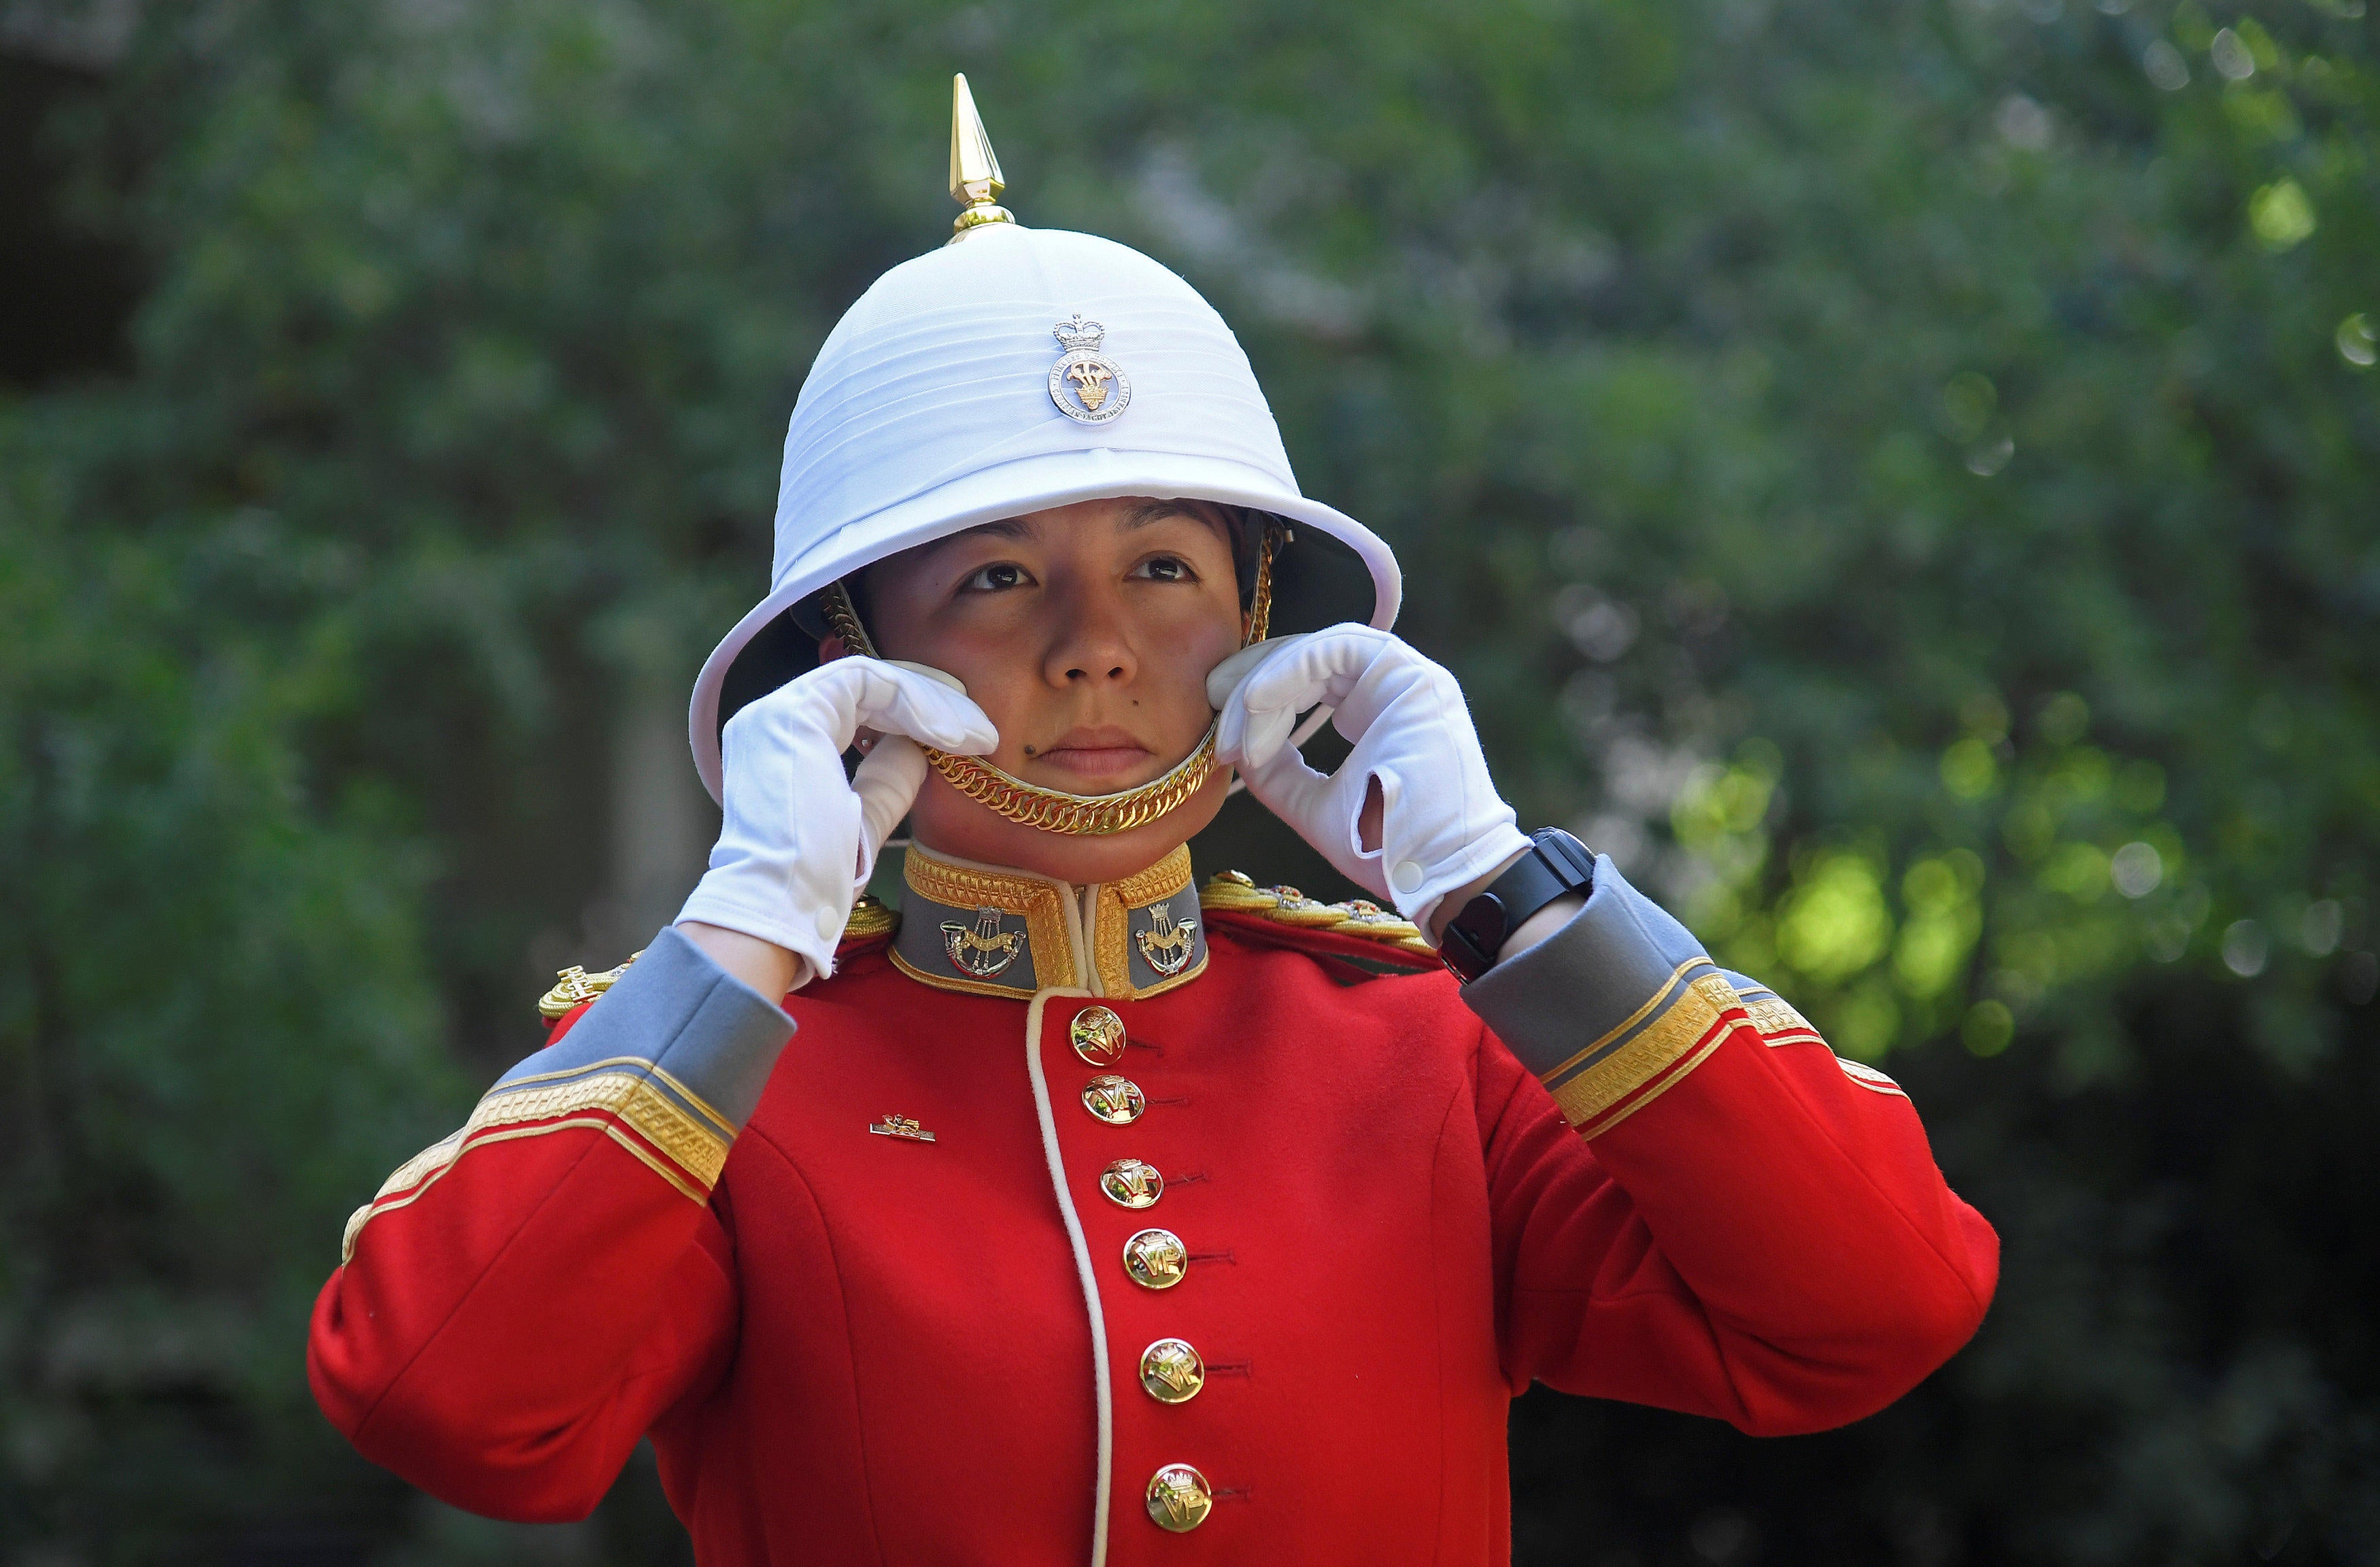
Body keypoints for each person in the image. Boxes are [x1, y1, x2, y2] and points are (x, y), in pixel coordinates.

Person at [307, 75, 1997, 1565]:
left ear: (1258, 616)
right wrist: (749, 924)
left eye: (1165, 566)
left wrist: (1498, 888)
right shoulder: (731, 1082)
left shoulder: (1434, 1052)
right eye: (997, 578)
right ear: (852, 658)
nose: (1096, 643)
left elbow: (1874, 1307)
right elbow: (449, 1404)